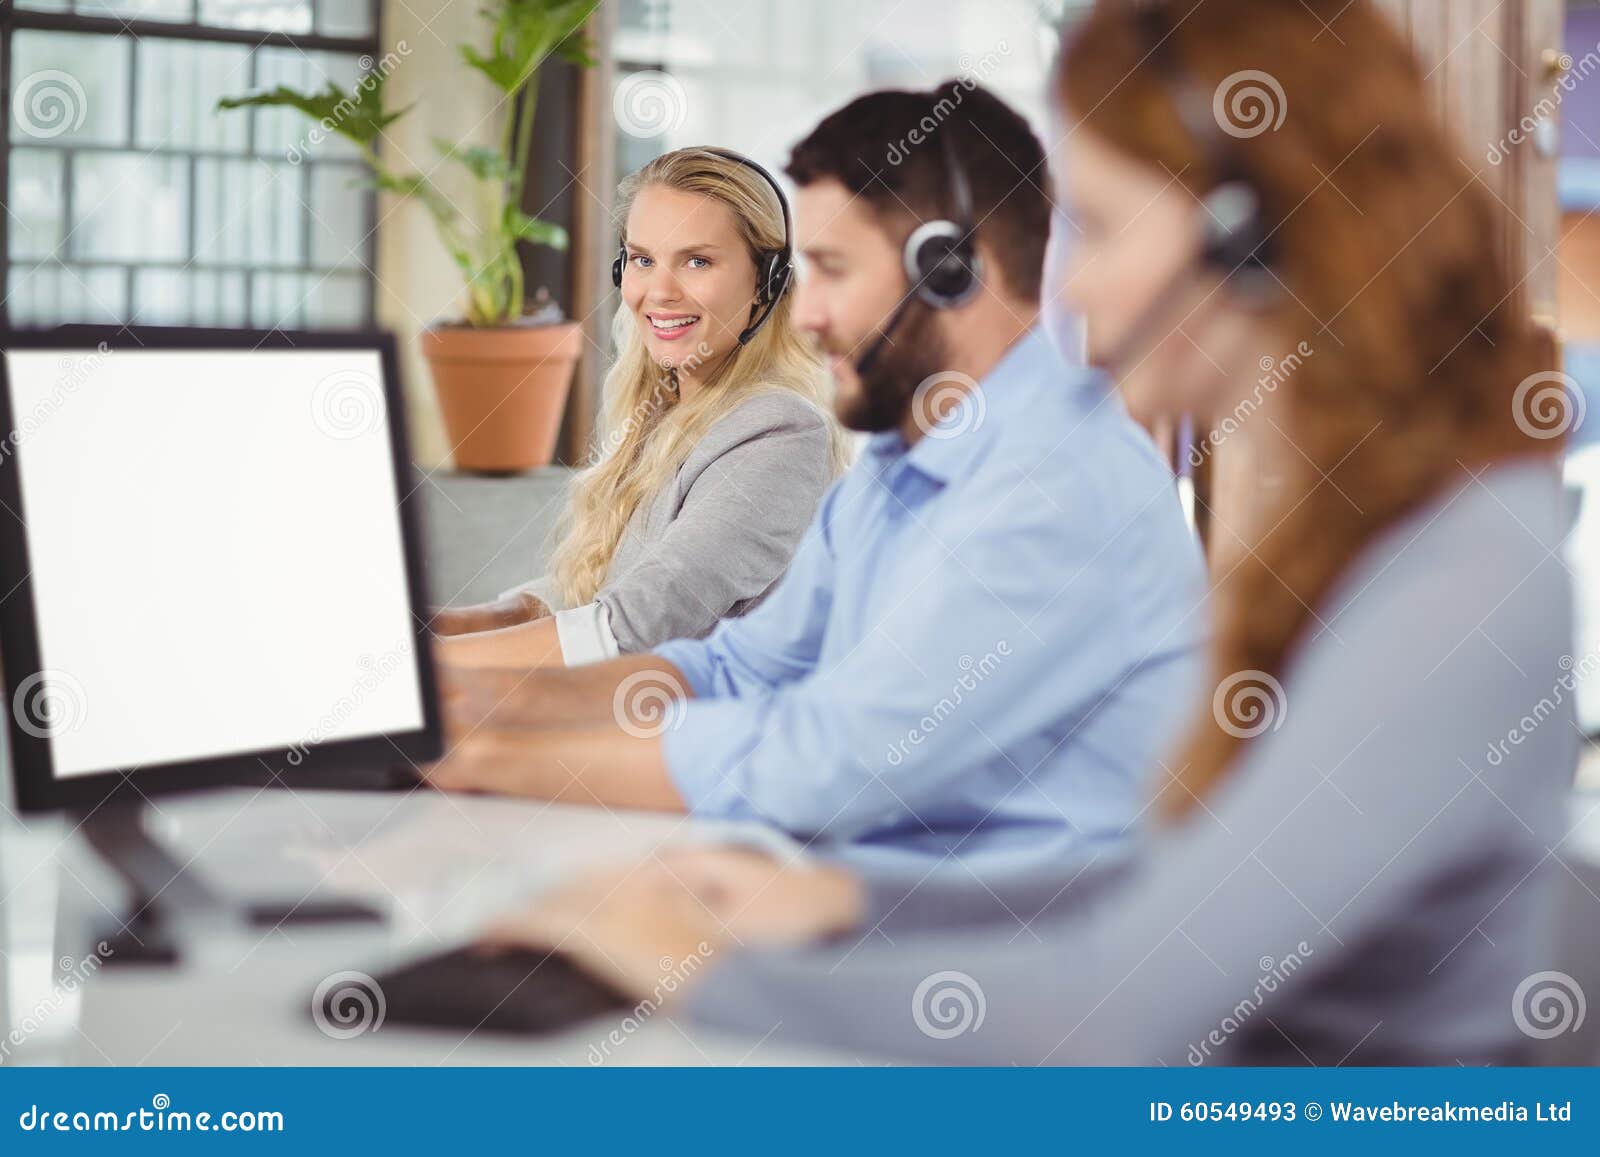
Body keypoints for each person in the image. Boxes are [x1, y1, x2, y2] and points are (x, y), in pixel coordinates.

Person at [477, 0, 1578, 1065]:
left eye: (1097, 228)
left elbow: (1109, 1016)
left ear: (1250, 241)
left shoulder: (1461, 578)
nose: (1073, 287)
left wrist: (695, 967)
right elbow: (1178, 896)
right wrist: (856, 906)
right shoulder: (1349, 526)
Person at [424, 82, 1207, 874]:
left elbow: (833, 759)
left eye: (831, 270)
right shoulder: (897, 470)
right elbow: (738, 668)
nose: (804, 314)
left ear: (950, 271)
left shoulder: (1054, 483)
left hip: (1010, 926)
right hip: (890, 891)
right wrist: (473, 703)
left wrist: (488, 756)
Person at [432, 147, 849, 668]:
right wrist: (447, 625)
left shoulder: (780, 434)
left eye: (698, 261)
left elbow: (635, 624)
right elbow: (604, 583)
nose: (660, 292)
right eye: (643, 260)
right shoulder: (665, 408)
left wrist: (424, 666)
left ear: (767, 282)